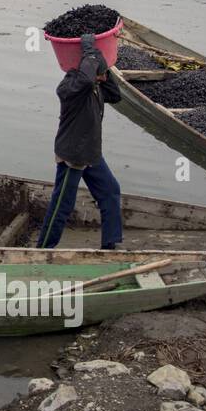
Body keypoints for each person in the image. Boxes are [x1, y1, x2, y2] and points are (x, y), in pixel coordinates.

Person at [37, 33, 124, 249]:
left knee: (110, 190)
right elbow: (85, 79)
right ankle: (43, 249)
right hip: (73, 155)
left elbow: (115, 95)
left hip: (91, 153)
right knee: (62, 205)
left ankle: (110, 244)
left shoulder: (96, 86)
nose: (103, 77)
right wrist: (90, 52)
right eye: (100, 72)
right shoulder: (71, 88)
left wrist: (104, 68)